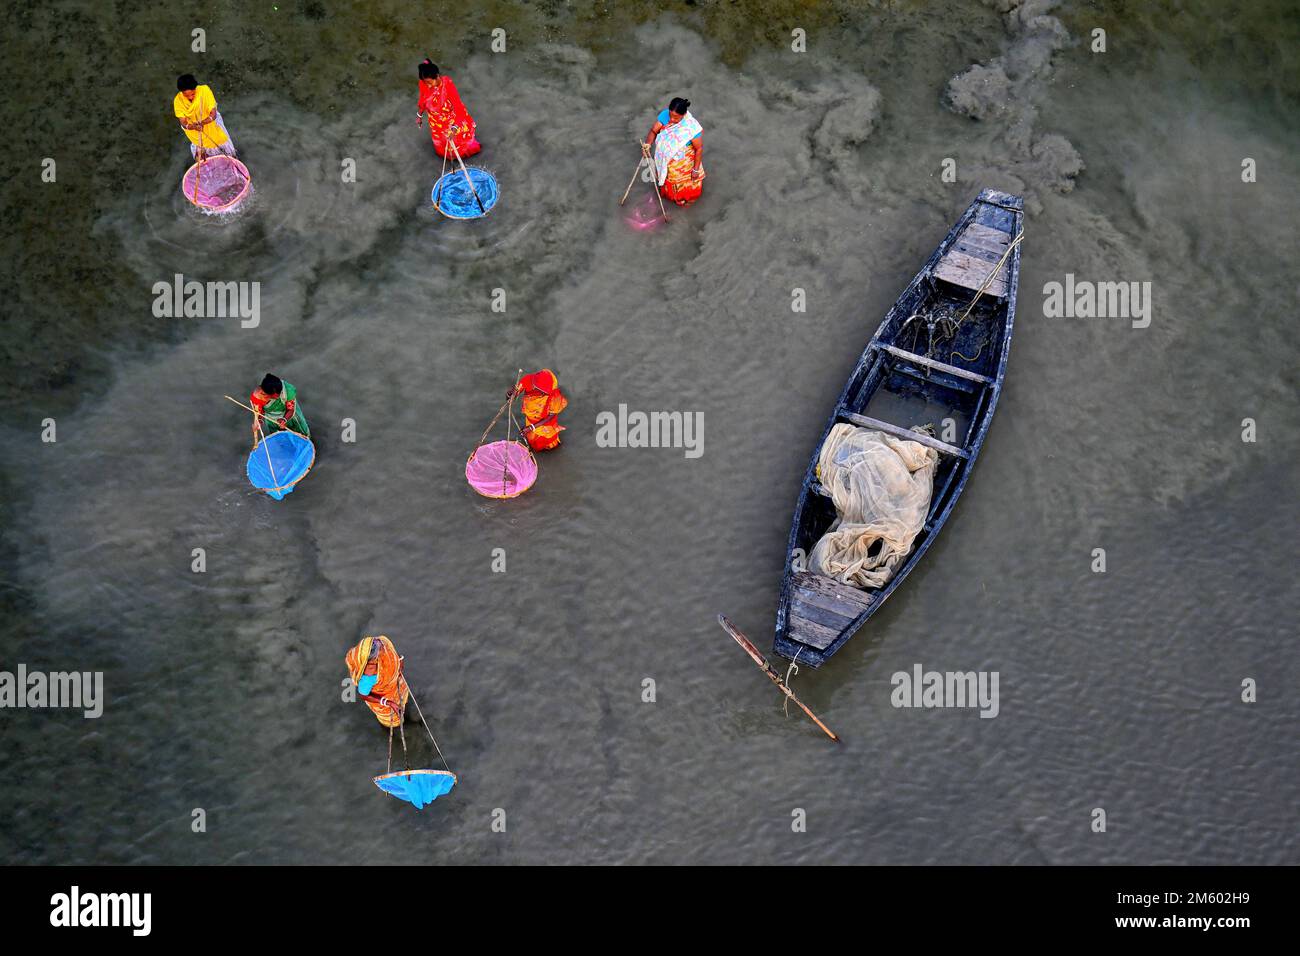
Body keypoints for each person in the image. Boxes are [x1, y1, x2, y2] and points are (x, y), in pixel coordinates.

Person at [644, 97, 704, 205]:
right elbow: (653, 131)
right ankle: (671, 197)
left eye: (676, 118)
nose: (671, 120)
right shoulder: (664, 115)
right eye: (670, 115)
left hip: (684, 163)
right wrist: (647, 145)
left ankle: (685, 203)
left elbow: (698, 149)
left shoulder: (691, 127)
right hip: (666, 161)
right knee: (668, 182)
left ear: (684, 114)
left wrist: (695, 170)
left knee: (684, 191)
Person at [416, 59, 481, 159]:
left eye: (429, 82)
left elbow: (458, 107)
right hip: (436, 121)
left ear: (437, 76)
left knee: (458, 140)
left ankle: (461, 153)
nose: (428, 85)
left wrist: (455, 128)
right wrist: (419, 115)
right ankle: (447, 154)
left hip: (451, 119)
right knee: (442, 141)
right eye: (425, 83)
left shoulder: (447, 85)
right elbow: (422, 99)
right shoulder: (423, 83)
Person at [345, 636, 409, 729]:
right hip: (388, 698)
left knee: (400, 707)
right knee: (393, 719)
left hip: (395, 686)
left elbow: (397, 659)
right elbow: (363, 695)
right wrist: (389, 703)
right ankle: (391, 725)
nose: (367, 672)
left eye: (371, 666)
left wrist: (398, 664)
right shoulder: (367, 679)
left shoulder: (383, 655)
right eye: (365, 666)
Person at [173, 74, 237, 159]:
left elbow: (213, 115)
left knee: (228, 155)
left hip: (212, 126)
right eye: (186, 95)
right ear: (181, 92)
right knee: (202, 159)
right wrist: (192, 126)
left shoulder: (204, 91)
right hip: (195, 133)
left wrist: (202, 123)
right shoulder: (178, 101)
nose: (190, 97)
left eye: (193, 94)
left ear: (195, 88)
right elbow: (183, 122)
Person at [508, 369, 568, 452]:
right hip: (530, 419)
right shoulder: (527, 380)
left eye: (546, 392)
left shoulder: (554, 394)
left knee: (547, 445)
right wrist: (510, 394)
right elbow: (516, 392)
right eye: (543, 391)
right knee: (531, 438)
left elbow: (551, 415)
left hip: (544, 423)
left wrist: (532, 427)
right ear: (535, 386)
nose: (546, 394)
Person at [249, 373, 310, 446]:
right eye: (274, 397)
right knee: (280, 439)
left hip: (290, 416)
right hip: (272, 419)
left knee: (301, 434)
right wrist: (259, 421)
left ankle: (304, 446)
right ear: (265, 393)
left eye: (279, 394)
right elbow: (259, 413)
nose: (278, 397)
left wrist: (284, 419)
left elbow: (290, 409)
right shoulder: (257, 398)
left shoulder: (288, 390)